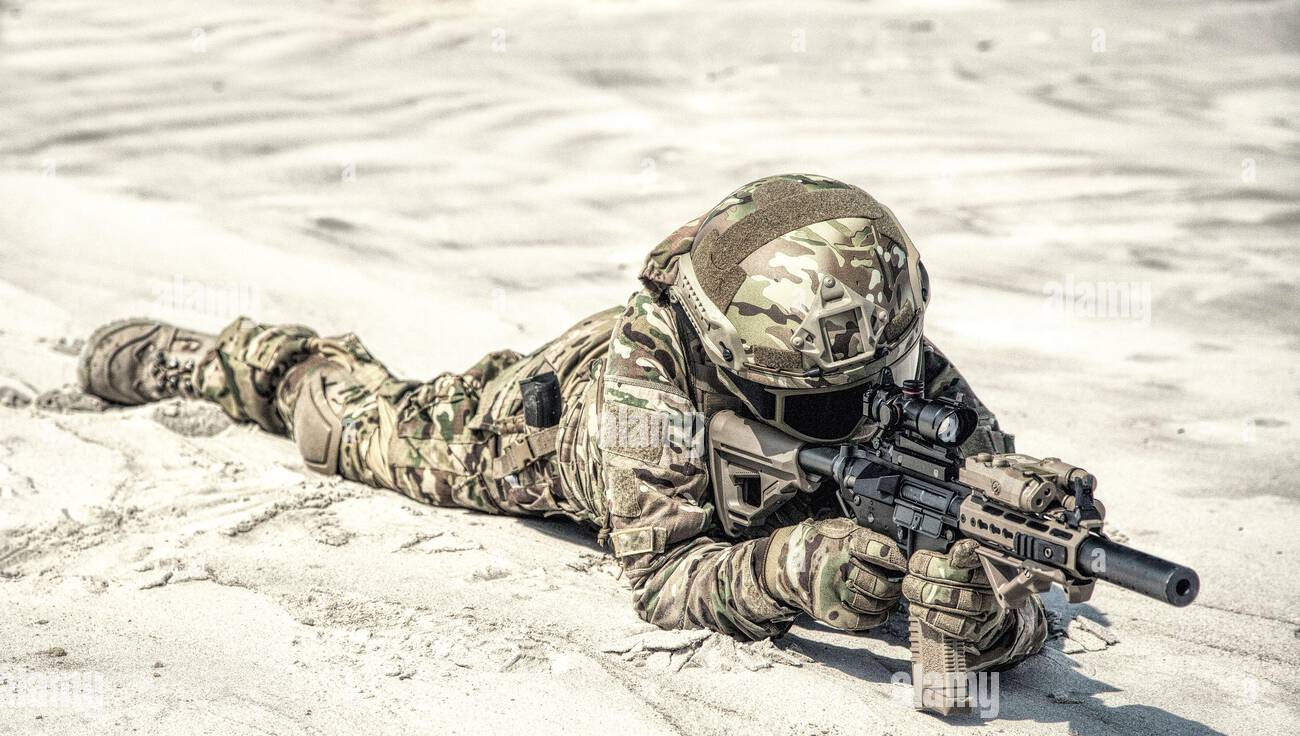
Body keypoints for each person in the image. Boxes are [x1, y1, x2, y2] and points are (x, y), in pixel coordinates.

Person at [79, 173, 1046, 689]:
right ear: (745, 365)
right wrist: (787, 571)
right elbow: (664, 580)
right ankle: (231, 361)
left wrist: (999, 610)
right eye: (833, 403)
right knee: (357, 429)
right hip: (535, 435)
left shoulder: (865, 350)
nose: (876, 408)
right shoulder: (645, 390)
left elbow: (992, 516)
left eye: (886, 380)